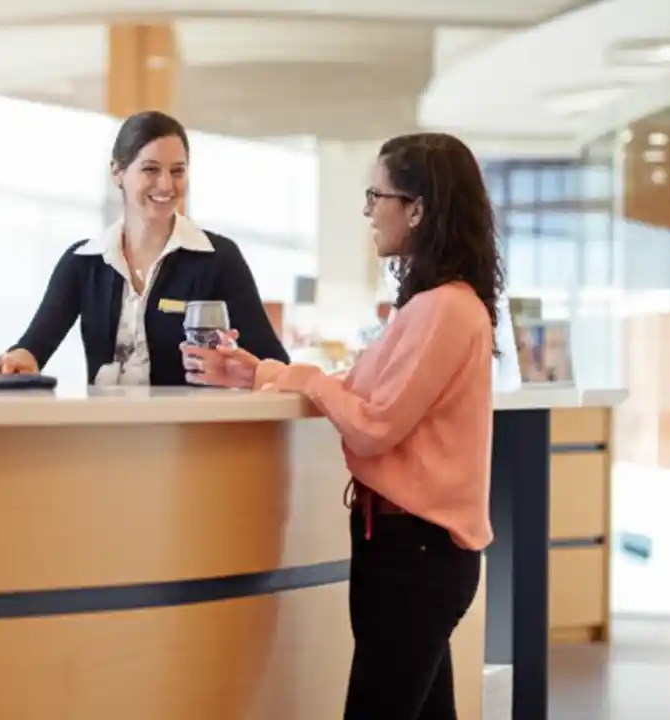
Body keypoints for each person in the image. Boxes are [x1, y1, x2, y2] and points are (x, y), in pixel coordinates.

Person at [182, 132, 504, 720]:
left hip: (416, 553)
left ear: (417, 207)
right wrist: (262, 374)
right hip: (410, 548)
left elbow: (374, 425)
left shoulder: (443, 309)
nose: (366, 211)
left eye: (375, 195)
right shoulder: (435, 304)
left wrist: (302, 382)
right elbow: (357, 388)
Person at [0, 110, 289, 385]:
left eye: (177, 171)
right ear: (118, 172)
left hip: (189, 434)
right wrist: (16, 361)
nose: (167, 185)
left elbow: (275, 364)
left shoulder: (218, 259)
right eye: (151, 169)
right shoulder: (83, 261)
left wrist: (236, 366)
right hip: (106, 431)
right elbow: (35, 347)